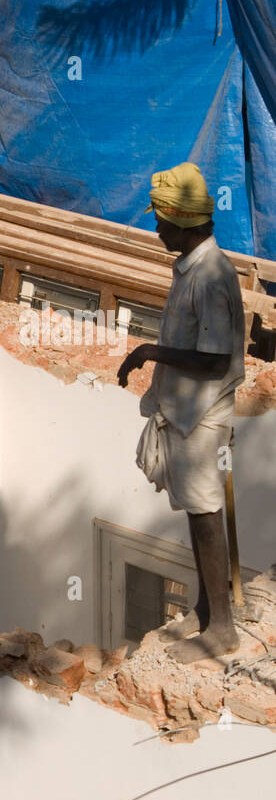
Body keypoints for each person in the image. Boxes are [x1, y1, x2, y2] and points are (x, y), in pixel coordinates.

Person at [117, 162, 245, 664]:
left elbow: (214, 358)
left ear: (181, 222)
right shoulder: (195, 266)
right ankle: (207, 609)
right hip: (189, 409)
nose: (157, 230)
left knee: (206, 516)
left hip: (203, 413)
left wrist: (151, 351)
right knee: (197, 515)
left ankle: (224, 632)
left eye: (161, 221)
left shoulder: (211, 276)